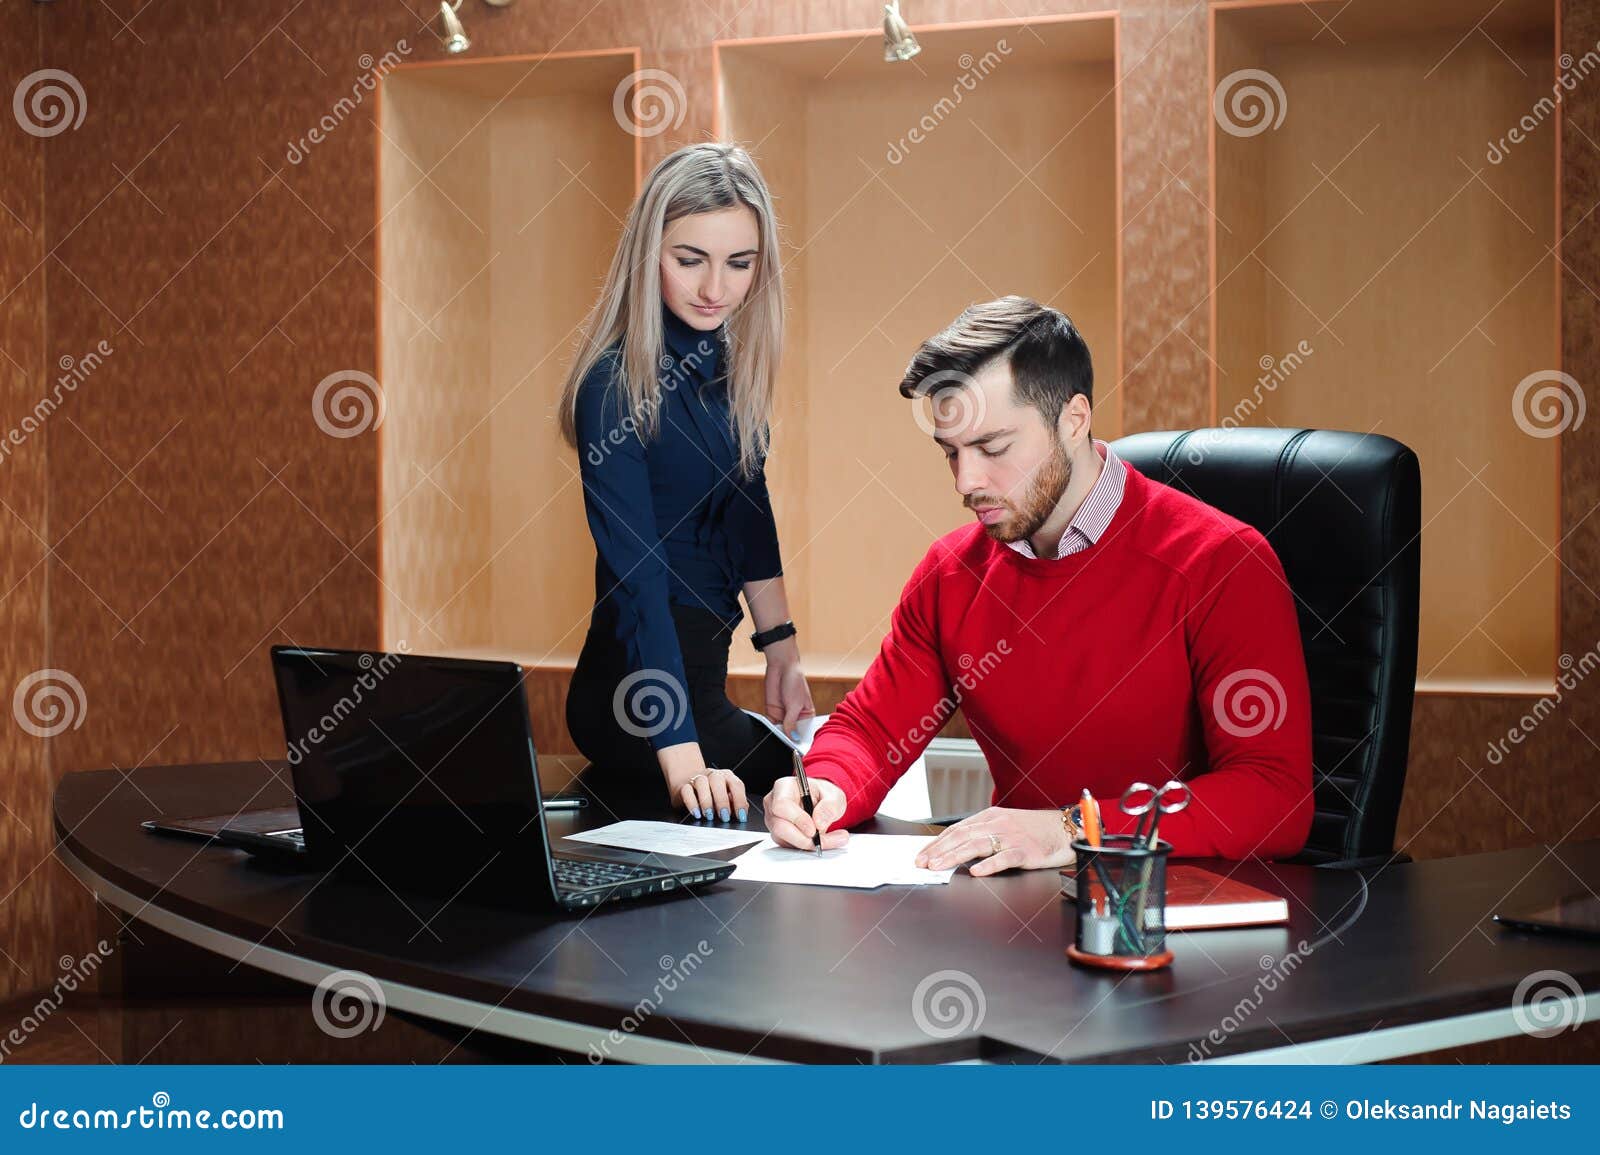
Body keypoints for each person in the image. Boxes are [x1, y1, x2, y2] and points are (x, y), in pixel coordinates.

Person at [760, 296, 1313, 870]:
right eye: (951, 453)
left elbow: (1274, 797)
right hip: (1017, 904)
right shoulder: (951, 573)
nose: (966, 481)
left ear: (1073, 420)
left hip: (1169, 904)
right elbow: (873, 731)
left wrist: (1070, 829)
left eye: (993, 448)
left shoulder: (1223, 562)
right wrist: (823, 787)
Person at [558, 143, 813, 822]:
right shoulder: (611, 387)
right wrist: (683, 757)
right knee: (802, 785)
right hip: (633, 697)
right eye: (690, 259)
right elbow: (637, 580)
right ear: (649, 255)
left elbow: (750, 519)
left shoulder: (730, 375)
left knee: (810, 780)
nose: (714, 289)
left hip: (702, 684)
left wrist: (782, 655)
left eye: (740, 263)